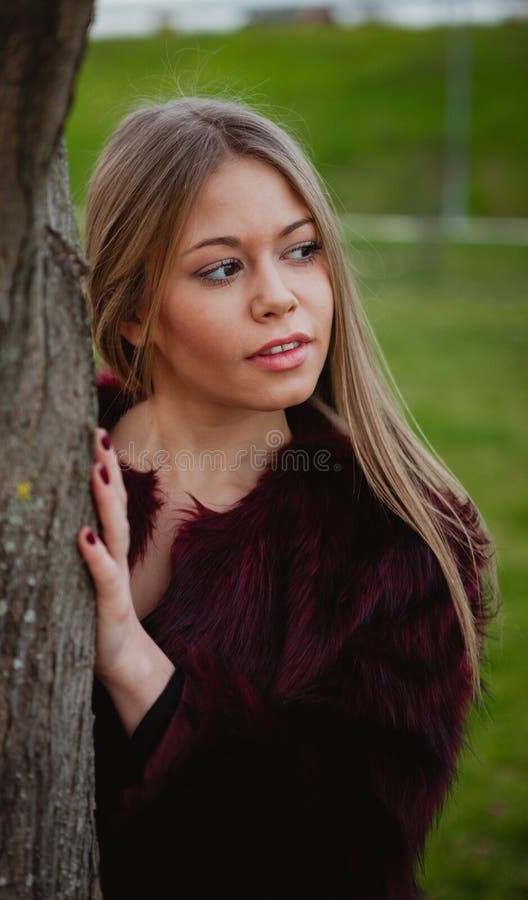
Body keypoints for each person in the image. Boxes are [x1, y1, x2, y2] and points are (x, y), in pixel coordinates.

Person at [76, 97, 499, 898]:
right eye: (223, 266)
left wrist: (130, 658)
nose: (281, 296)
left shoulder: (396, 545)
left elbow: (343, 860)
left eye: (301, 250)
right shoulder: (32, 473)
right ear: (133, 314)